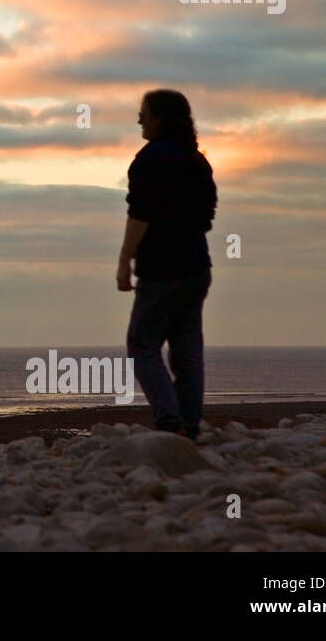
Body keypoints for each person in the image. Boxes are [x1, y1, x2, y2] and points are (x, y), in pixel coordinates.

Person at [116, 89, 217, 440]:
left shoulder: (149, 160)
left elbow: (139, 214)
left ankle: (170, 419)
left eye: (144, 113)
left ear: (160, 117)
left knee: (142, 343)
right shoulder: (198, 161)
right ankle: (188, 424)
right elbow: (207, 218)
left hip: (162, 269)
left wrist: (125, 259)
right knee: (187, 349)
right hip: (197, 267)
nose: (139, 119)